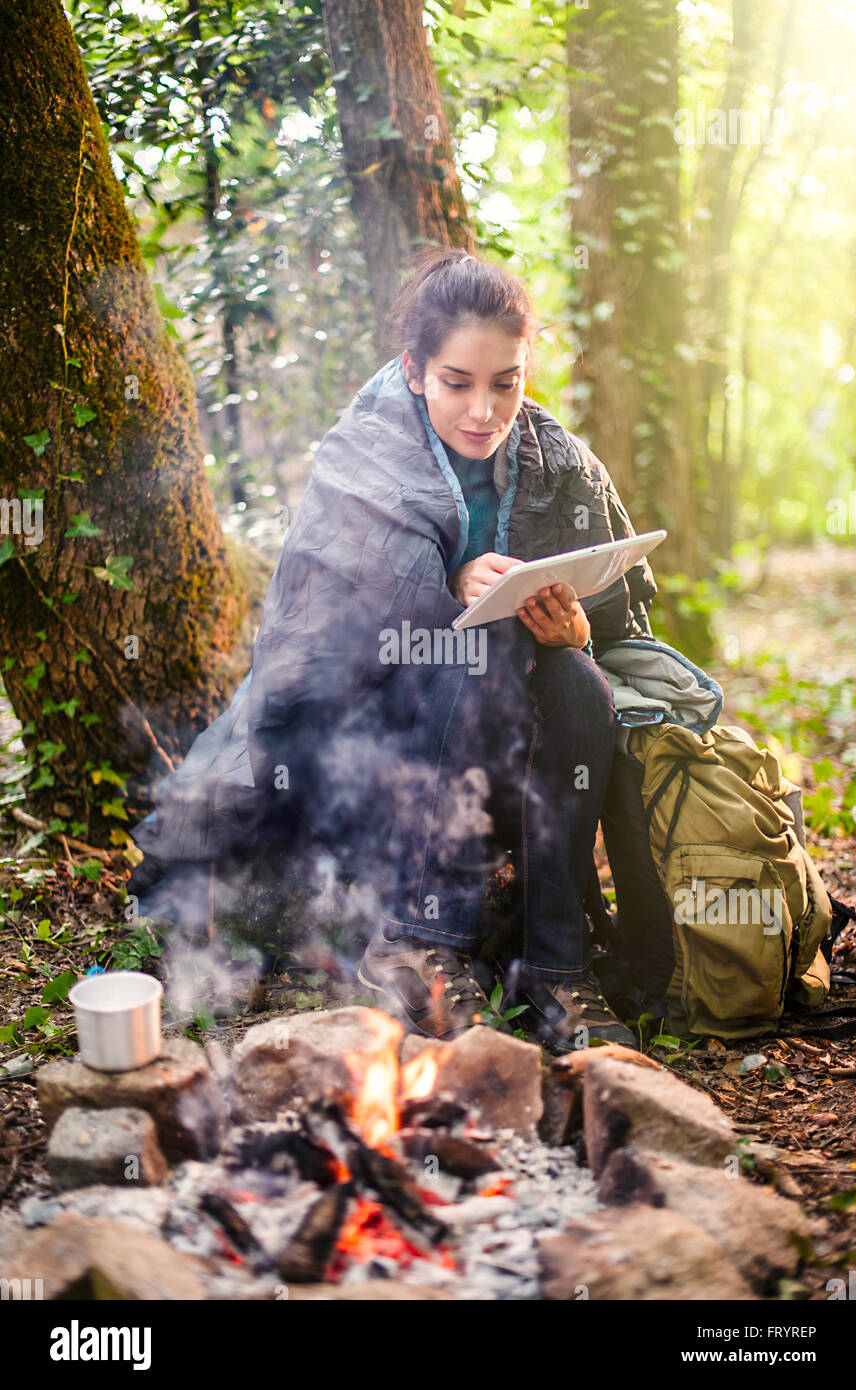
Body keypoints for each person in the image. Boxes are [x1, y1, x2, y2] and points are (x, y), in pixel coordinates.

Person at [128, 246, 657, 1052]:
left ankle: (557, 969)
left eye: (506, 382)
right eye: (458, 383)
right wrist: (449, 588)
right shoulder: (363, 455)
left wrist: (571, 628)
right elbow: (334, 632)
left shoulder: (554, 460)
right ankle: (417, 941)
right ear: (414, 370)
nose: (484, 410)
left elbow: (618, 620)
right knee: (466, 649)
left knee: (582, 686)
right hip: (359, 727)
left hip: (495, 726)